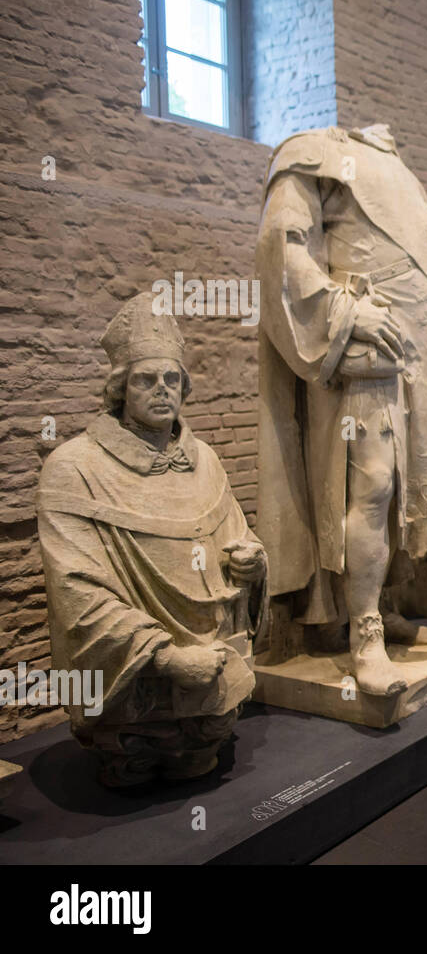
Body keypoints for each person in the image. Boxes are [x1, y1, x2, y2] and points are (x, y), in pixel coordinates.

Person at [256, 123, 427, 695]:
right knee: (373, 486)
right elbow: (284, 250)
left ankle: (384, 599)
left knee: (409, 489)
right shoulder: (316, 153)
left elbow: (421, 258)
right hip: (365, 342)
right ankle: (364, 634)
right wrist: (346, 312)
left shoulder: (401, 171)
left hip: (419, 351)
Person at [37, 293, 265, 787]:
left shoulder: (204, 458)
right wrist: (163, 655)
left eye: (172, 379)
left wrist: (253, 562)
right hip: (135, 691)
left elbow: (237, 536)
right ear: (120, 389)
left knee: (199, 761)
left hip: (212, 674)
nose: (162, 390)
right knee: (129, 769)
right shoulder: (76, 469)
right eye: (145, 380)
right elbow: (77, 590)